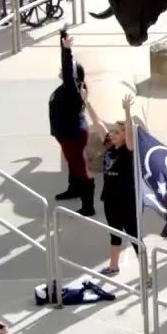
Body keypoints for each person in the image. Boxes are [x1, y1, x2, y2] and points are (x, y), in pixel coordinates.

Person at [82, 92, 138, 276]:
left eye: (117, 132)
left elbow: (129, 132)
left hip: (127, 199)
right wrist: (87, 102)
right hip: (110, 198)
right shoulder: (108, 145)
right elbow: (98, 123)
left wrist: (127, 112)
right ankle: (114, 266)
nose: (113, 134)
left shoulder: (128, 151)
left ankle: (147, 271)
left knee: (134, 236)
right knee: (114, 233)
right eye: (113, 131)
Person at [50, 33, 92, 216]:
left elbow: (67, 67)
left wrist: (66, 49)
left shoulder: (71, 86)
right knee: (73, 163)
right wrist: (63, 40)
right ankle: (73, 189)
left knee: (80, 168)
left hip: (72, 134)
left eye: (66, 69)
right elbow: (67, 67)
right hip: (68, 132)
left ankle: (88, 206)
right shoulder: (71, 86)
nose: (62, 69)